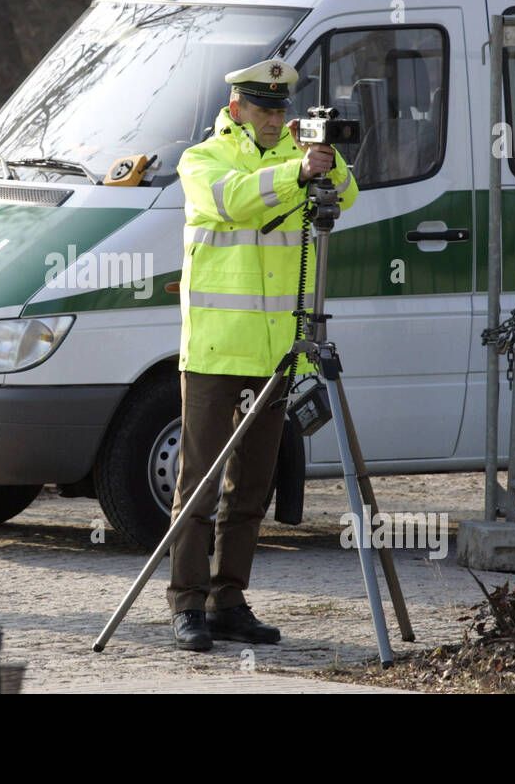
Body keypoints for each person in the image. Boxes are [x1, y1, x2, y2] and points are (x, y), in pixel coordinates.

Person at [168, 59, 358, 651]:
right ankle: (187, 603)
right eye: (264, 107)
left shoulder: (292, 154)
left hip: (277, 353)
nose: (276, 118)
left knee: (251, 487)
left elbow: (345, 195)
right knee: (198, 483)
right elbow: (232, 201)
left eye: (282, 108)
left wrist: (323, 154)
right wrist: (296, 172)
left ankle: (229, 598)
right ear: (236, 109)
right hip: (217, 351)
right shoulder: (202, 161)